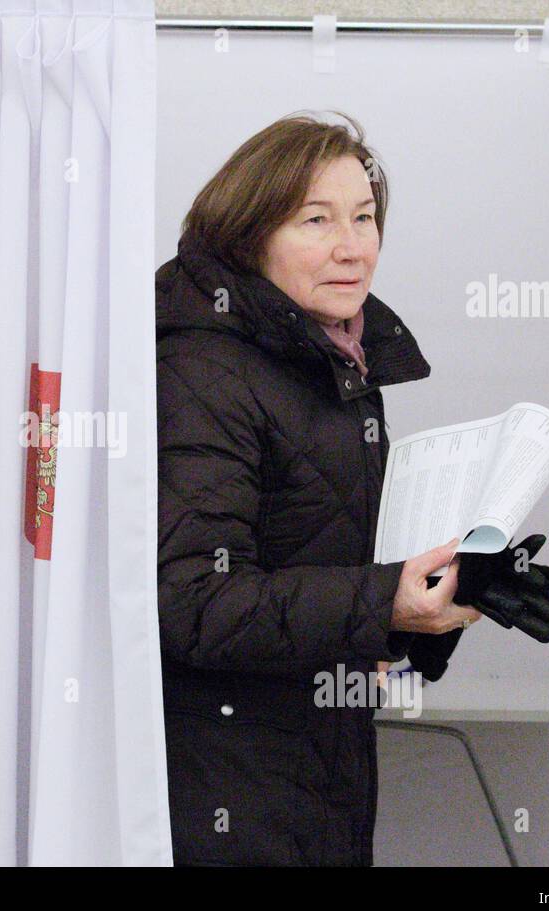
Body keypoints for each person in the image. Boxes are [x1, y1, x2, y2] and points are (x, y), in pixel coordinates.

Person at [156, 111, 482, 866]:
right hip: (224, 786)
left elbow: (319, 568)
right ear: (248, 235)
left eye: (365, 218)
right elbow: (195, 602)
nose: (353, 246)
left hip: (319, 765)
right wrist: (383, 599)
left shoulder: (333, 362)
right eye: (316, 219)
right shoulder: (201, 373)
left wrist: (439, 598)